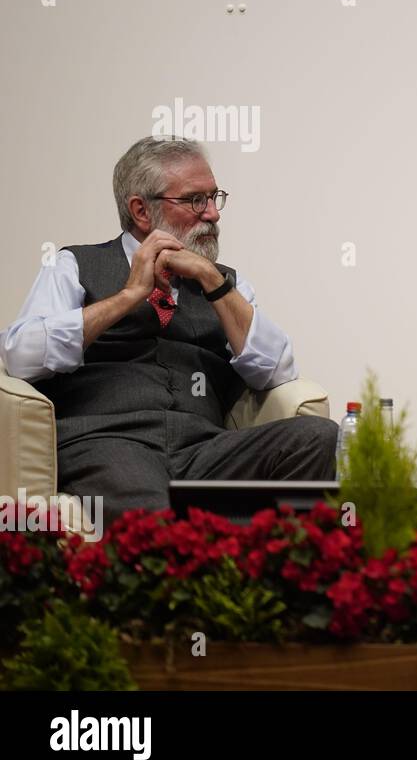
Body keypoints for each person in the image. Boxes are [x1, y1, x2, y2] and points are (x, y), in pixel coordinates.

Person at [2, 136, 337, 521]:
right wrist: (128, 297)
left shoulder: (225, 284)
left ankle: (265, 568)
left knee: (316, 436)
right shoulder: (73, 265)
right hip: (109, 443)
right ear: (141, 211)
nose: (212, 214)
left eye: (215, 197)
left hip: (204, 449)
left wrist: (213, 281)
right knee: (156, 523)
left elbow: (277, 373)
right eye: (195, 200)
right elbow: (21, 356)